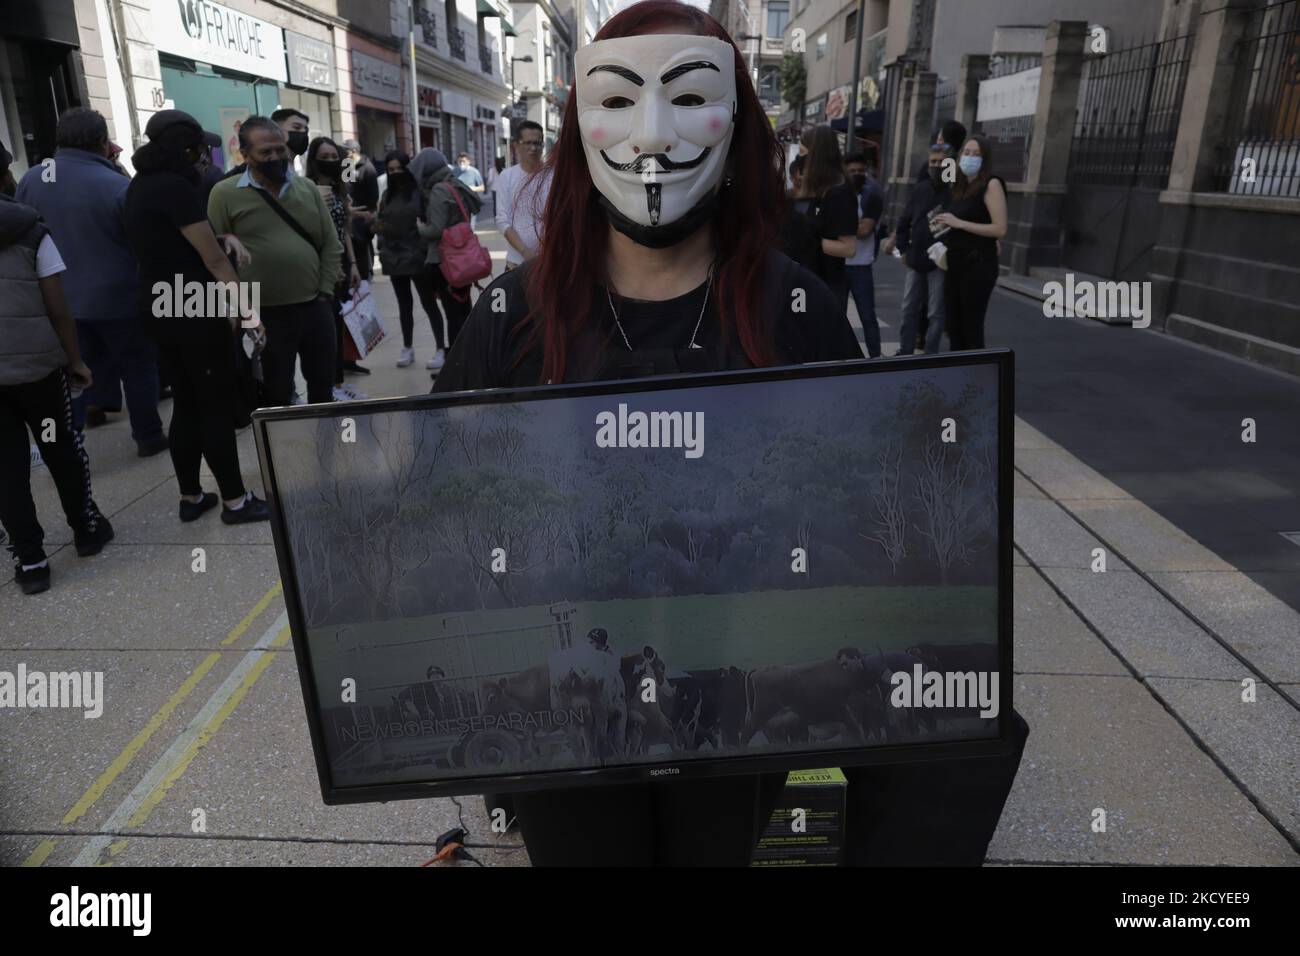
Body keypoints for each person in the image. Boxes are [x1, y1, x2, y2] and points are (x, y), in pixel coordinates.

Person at [434, 1, 1028, 868]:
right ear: (579, 120)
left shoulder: (797, 308)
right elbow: (453, 498)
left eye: (686, 98)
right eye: (619, 100)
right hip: (574, 737)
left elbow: (864, 507)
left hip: (735, 714)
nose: (649, 135)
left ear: (738, 125)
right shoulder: (512, 316)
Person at [123, 109, 270, 525]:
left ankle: (191, 496)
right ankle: (236, 502)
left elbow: (174, 241)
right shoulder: (177, 189)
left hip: (158, 304)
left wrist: (223, 238)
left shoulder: (140, 187)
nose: (204, 156)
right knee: (214, 406)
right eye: (201, 149)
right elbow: (212, 261)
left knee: (186, 403)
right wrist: (249, 313)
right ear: (187, 150)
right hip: (193, 306)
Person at [16, 107, 167, 456]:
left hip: (60, 300)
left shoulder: (36, 178)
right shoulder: (116, 184)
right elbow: (140, 244)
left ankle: (70, 442)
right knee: (138, 368)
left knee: (73, 374)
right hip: (119, 297)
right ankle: (148, 436)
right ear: (102, 142)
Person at [0, 139, 113, 594]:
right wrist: (75, 361)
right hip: (40, 370)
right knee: (60, 446)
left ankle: (31, 562)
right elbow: (58, 308)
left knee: (5, 467)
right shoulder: (31, 229)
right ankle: (86, 528)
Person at [207, 115, 343, 406]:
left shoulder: (307, 190)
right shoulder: (224, 194)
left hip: (314, 307)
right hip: (265, 315)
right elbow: (214, 254)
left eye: (279, 149)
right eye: (265, 152)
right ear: (245, 155)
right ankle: (281, 450)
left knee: (323, 387)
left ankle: (327, 446)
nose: (275, 157)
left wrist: (324, 292)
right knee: (276, 392)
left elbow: (331, 243)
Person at [932, 135, 1006, 351]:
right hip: (955, 262)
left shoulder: (991, 184)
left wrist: (960, 223)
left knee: (971, 326)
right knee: (954, 326)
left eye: (976, 154)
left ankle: (975, 378)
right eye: (967, 153)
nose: (970, 158)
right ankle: (958, 374)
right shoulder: (959, 186)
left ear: (985, 159)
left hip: (978, 265)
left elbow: (1000, 228)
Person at [305, 136, 364, 401]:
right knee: (325, 329)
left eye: (333, 157)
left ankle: (337, 384)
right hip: (321, 265)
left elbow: (345, 230)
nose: (329, 161)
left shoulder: (339, 188)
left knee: (339, 323)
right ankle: (327, 386)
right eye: (324, 157)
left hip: (341, 261)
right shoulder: (307, 190)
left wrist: (352, 263)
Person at [376, 150, 446, 369]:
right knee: (403, 305)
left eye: (399, 168)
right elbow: (382, 221)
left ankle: (440, 348)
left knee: (428, 303)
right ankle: (407, 347)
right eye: (391, 169)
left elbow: (430, 223)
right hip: (394, 256)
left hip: (417, 256)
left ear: (408, 168)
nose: (395, 173)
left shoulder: (420, 193)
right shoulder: (386, 194)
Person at [413, 148, 481, 366]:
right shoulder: (455, 183)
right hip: (462, 259)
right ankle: (468, 357)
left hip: (446, 261)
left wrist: (419, 228)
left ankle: (456, 364)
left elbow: (436, 230)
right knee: (463, 309)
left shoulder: (439, 190)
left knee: (453, 314)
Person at [883, 143, 952, 355]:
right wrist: (903, 249)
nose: (937, 166)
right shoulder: (921, 188)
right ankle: (905, 350)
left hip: (941, 262)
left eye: (942, 162)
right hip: (915, 259)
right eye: (933, 161)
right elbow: (904, 221)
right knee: (909, 308)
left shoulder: (955, 192)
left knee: (935, 313)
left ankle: (930, 355)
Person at [791, 124, 858, 312]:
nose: (799, 158)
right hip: (805, 283)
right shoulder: (816, 191)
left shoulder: (839, 193)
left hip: (825, 287)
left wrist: (804, 242)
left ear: (815, 157)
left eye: (803, 153)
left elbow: (848, 248)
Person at [493, 121, 552, 270]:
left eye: (537, 143)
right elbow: (502, 220)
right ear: (516, 145)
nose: (533, 148)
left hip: (549, 261)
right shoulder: (507, 177)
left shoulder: (553, 176)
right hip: (516, 262)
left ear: (543, 145)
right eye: (527, 143)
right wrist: (525, 252)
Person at [843, 152, 885, 358]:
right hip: (838, 264)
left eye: (860, 171)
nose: (857, 175)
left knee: (868, 316)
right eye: (852, 171)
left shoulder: (873, 196)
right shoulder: (837, 194)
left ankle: (876, 357)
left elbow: (864, 231)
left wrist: (838, 224)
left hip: (861, 265)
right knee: (836, 316)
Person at [342, 139, 379, 284]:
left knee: (364, 242)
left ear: (353, 151)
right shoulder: (346, 165)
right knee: (353, 242)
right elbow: (346, 188)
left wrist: (369, 214)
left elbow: (373, 195)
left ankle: (368, 273)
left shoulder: (368, 168)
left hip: (364, 213)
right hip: (351, 212)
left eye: (345, 150)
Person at [454, 153, 486, 228]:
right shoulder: (454, 171)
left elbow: (482, 187)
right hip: (458, 202)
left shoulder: (474, 172)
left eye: (463, 161)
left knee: (470, 226)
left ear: (469, 161)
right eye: (459, 161)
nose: (461, 163)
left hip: (471, 202)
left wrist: (471, 188)